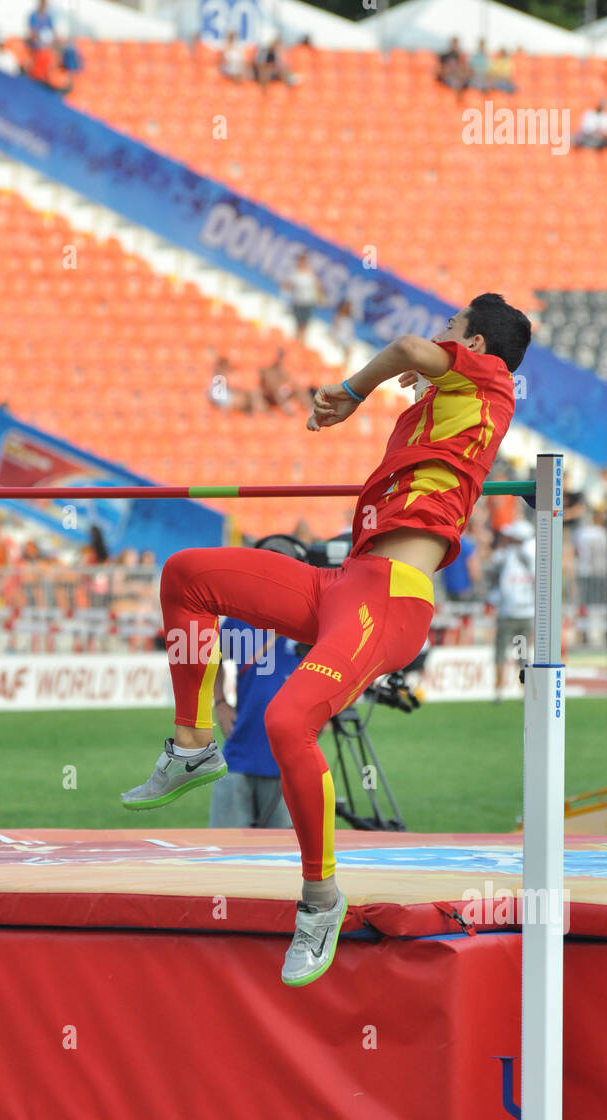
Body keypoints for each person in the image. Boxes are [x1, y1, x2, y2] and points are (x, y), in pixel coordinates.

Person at [121, 293, 531, 986]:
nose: (439, 337)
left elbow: (403, 349)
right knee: (186, 576)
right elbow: (420, 363)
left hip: (390, 600)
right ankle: (191, 747)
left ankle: (319, 899)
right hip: (344, 582)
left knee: (286, 719)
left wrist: (348, 393)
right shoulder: (452, 395)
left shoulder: (486, 380)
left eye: (451, 331)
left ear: (479, 348)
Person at [210, 615, 301, 830]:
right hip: (239, 756)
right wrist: (220, 702)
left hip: (291, 763)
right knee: (225, 852)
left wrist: (328, 715)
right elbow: (211, 658)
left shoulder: (312, 618)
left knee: (285, 857)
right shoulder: (241, 616)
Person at [490, 520, 535, 702]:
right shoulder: (535, 556)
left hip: (508, 613)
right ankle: (524, 692)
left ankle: (498, 692)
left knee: (500, 652)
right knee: (522, 655)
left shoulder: (504, 556)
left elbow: (493, 573)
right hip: (527, 612)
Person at [282, 252, 321, 341]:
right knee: (297, 325)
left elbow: (317, 287)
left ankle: (301, 342)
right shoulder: (294, 273)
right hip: (298, 302)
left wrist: (319, 298)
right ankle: (296, 342)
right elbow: (287, 286)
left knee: (305, 326)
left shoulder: (311, 274)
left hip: (307, 303)